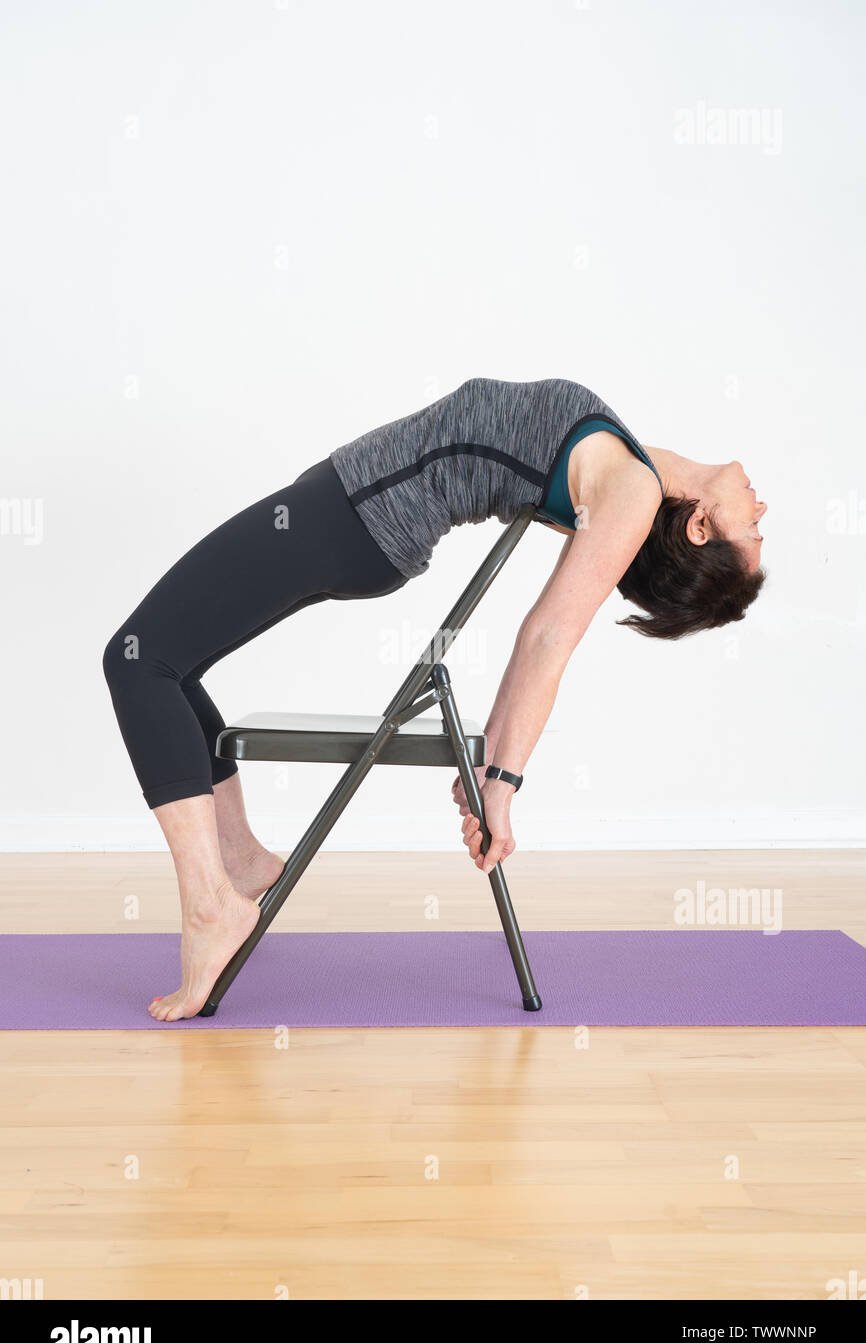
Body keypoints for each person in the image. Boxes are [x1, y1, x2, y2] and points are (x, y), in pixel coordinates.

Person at [102, 377, 767, 1020]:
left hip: (356, 519)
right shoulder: (641, 474)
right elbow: (585, 586)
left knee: (138, 661)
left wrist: (500, 785)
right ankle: (242, 863)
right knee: (171, 665)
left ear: (704, 528)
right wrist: (492, 768)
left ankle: (210, 903)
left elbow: (547, 638)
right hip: (348, 510)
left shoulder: (632, 491)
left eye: (755, 534)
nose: (762, 512)